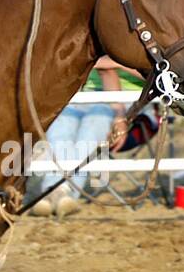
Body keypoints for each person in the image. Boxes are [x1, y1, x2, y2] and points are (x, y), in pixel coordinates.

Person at [29, 57, 143, 218]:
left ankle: (66, 192)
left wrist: (120, 62)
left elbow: (156, 73)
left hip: (135, 104)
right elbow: (102, 69)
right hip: (86, 96)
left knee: (94, 123)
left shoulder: (150, 40)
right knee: (62, 121)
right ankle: (53, 191)